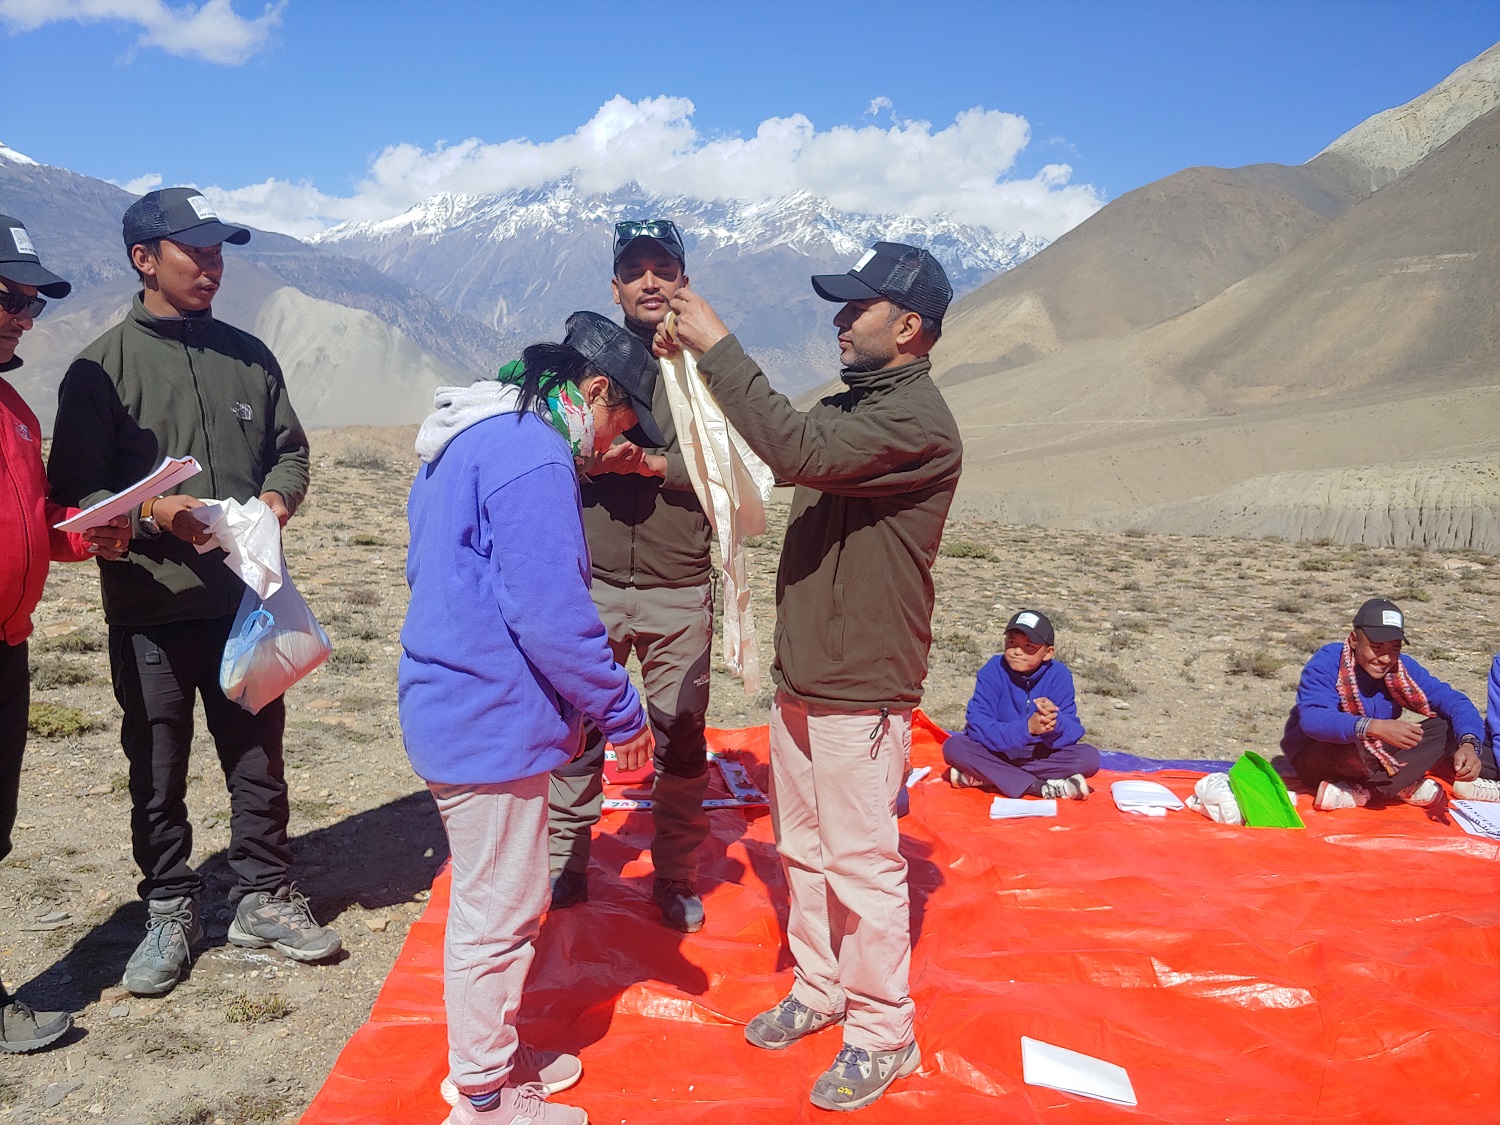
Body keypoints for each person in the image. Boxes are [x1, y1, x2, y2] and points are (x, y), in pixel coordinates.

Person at [658, 242, 961, 1111]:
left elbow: (791, 448)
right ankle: (822, 987)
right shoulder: (857, 407)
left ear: (907, 328)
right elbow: (776, 444)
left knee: (863, 862)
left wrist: (719, 343)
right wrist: (698, 379)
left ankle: (882, 1028)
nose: (839, 318)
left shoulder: (917, 424)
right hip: (810, 673)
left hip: (862, 683)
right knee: (803, 845)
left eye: (856, 307)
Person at [47, 188, 340, 999]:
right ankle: (171, 905)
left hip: (247, 601)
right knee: (156, 761)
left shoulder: (249, 355)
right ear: (146, 259)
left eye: (219, 252)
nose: (212, 266)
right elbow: (73, 495)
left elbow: (290, 452)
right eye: (194, 251)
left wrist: (278, 503)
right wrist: (152, 513)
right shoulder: (98, 369)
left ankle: (261, 894)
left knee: (257, 753)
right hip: (149, 606)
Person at [401, 311, 658, 1125]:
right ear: (594, 390)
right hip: (490, 715)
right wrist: (621, 712)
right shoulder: (534, 454)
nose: (613, 441)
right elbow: (550, 610)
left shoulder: (472, 435)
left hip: (454, 697)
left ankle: (496, 1055)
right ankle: (481, 1096)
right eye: (621, 419)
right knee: (500, 910)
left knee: (491, 897)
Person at [548, 219, 715, 933]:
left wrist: (649, 464)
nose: (650, 280)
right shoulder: (578, 360)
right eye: (635, 268)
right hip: (594, 579)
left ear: (682, 279)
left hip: (679, 584)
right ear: (613, 285)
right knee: (573, 724)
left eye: (663, 267)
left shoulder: (712, 366)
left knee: (680, 730)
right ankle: (565, 862)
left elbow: (733, 471)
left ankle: (674, 874)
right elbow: (548, 442)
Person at [0, 217, 129, 1052]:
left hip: (10, 649)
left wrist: (87, 532)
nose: (24, 314)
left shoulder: (13, 408)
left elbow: (32, 517)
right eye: (8, 295)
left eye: (33, 301)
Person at [1281, 598, 1498, 810]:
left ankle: (1361, 791)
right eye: (1376, 647)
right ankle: (1394, 785)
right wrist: (1373, 727)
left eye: (1394, 649)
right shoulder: (1328, 662)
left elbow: (1456, 702)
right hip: (1320, 753)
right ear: (1355, 640)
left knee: (1448, 727)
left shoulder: (1400, 669)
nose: (1385, 659)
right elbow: (1313, 719)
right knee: (1354, 743)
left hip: (1374, 752)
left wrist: (1469, 744)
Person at [942, 610, 1099, 800]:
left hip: (1038, 754)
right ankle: (1038, 787)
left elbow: (1073, 731)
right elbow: (978, 726)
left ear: (1048, 652)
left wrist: (1054, 724)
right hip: (995, 749)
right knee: (954, 747)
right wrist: (1026, 729)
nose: (1017, 651)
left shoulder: (1059, 675)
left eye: (1028, 646)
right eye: (1011, 642)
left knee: (1089, 758)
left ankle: (988, 776)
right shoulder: (993, 670)